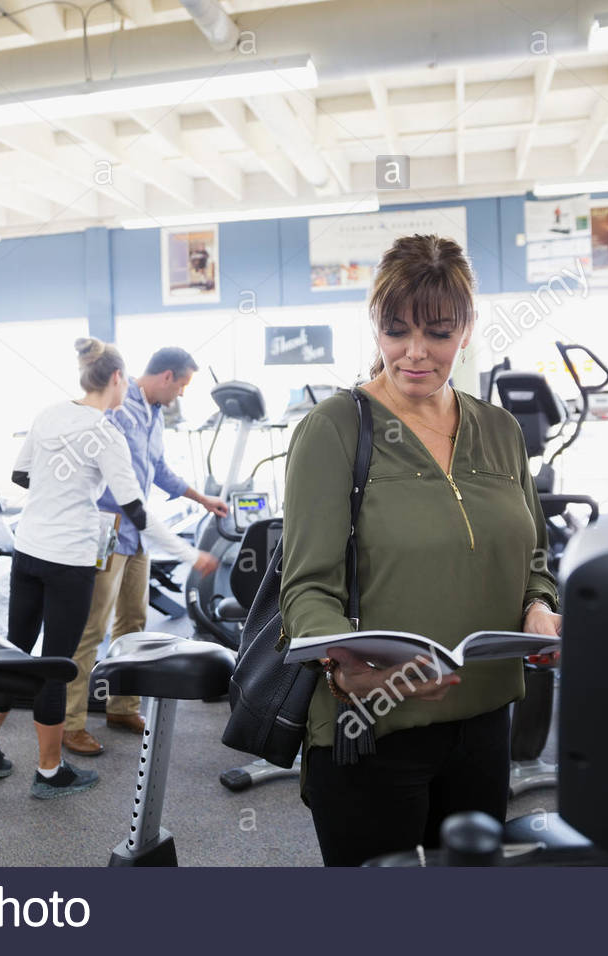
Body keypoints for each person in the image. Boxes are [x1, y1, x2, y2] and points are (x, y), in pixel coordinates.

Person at [280, 234, 562, 866]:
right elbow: (307, 588)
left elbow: (535, 561)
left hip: (485, 718)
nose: (414, 352)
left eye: (437, 332)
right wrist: (344, 663)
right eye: (395, 330)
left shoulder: (499, 430)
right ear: (375, 326)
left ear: (466, 329)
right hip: (373, 722)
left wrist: (539, 609)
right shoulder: (334, 429)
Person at [0, 338, 205, 799]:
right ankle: (51, 771)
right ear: (117, 379)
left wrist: (61, 490)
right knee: (56, 665)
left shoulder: (49, 413)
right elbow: (136, 512)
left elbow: (21, 475)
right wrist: (189, 553)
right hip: (68, 560)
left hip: (29, 551)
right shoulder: (108, 434)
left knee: (15, 650)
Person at [61, 347, 225, 756]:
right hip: (110, 529)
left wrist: (202, 499)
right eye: (183, 386)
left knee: (133, 620)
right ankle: (69, 723)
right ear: (166, 376)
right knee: (92, 629)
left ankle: (122, 707)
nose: (182, 396)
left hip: (138, 533)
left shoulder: (153, 415)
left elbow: (161, 471)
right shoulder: (119, 411)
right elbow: (114, 482)